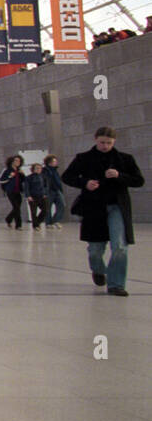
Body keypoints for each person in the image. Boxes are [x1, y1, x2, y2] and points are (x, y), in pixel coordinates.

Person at [61, 127, 144, 297]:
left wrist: (119, 175)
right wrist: (85, 183)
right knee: (95, 250)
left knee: (120, 246)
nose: (105, 146)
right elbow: (67, 176)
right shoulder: (83, 158)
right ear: (95, 140)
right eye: (102, 142)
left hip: (117, 207)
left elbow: (138, 180)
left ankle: (116, 285)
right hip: (94, 208)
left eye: (109, 143)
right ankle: (98, 270)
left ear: (114, 142)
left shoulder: (125, 159)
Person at [0, 154, 25, 229]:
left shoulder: (19, 170)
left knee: (17, 208)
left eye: (19, 161)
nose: (18, 162)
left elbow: (23, 181)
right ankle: (18, 225)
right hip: (10, 191)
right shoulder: (7, 170)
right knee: (16, 208)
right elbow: (0, 180)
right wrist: (9, 176)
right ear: (12, 161)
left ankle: (8, 219)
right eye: (16, 160)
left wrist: (22, 174)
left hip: (18, 191)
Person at [43, 154, 65, 229]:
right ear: (49, 162)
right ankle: (48, 223)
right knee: (48, 207)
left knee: (62, 204)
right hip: (49, 191)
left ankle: (56, 220)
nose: (56, 163)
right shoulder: (45, 171)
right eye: (54, 161)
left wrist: (60, 189)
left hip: (57, 190)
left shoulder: (55, 170)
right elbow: (44, 182)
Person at [25, 163, 47, 230]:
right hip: (33, 196)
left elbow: (45, 186)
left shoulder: (43, 176)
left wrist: (45, 193)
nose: (38, 169)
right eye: (37, 168)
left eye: (40, 168)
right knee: (33, 212)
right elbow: (26, 187)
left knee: (45, 210)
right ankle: (35, 226)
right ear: (33, 169)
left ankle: (38, 222)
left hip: (42, 196)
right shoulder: (29, 177)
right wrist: (28, 196)